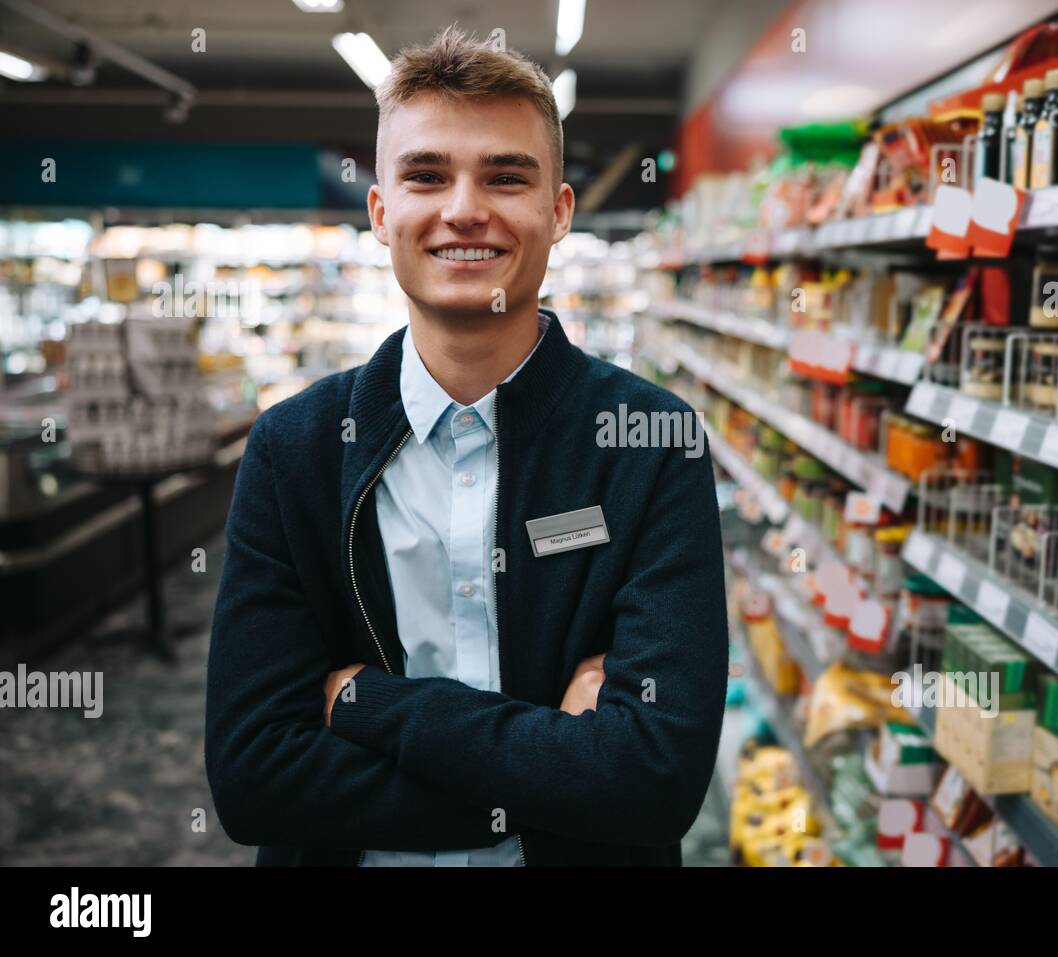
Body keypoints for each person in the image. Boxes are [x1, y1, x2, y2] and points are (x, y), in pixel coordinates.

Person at [204, 26, 728, 866]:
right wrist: (560, 770)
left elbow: (654, 779)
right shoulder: (294, 448)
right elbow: (253, 777)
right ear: (381, 213)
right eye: (425, 175)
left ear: (559, 213)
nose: (462, 209)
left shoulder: (649, 443)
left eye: (505, 176)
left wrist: (370, 705)